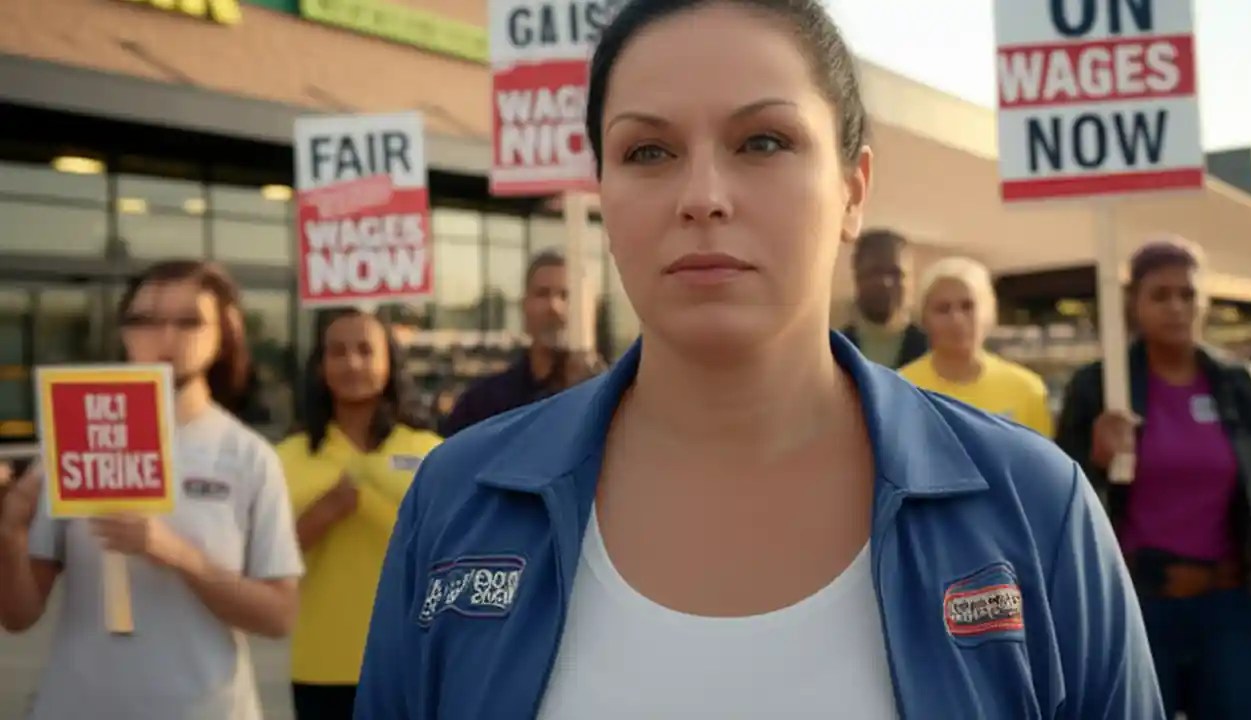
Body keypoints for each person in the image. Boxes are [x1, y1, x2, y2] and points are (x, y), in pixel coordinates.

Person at [355, 0, 1161, 718]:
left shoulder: (1033, 506)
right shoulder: (457, 502)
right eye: (647, 152)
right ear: (601, 192)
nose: (702, 194)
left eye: (763, 141)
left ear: (853, 189)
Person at [0, 259, 304, 720]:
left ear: (224, 334)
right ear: (122, 332)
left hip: (207, 708)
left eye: (189, 321)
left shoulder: (247, 456)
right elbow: (18, 615)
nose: (166, 336)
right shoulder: (74, 435)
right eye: (144, 320)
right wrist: (11, 532)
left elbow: (278, 615)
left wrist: (176, 554)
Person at [1056, 238, 1251, 720]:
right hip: (1139, 608)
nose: (1176, 307)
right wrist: (1094, 460)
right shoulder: (1099, 388)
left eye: (1187, 294)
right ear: (1134, 304)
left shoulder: (1242, 387)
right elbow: (1062, 509)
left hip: (1229, 611)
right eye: (1160, 295)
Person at [277, 308, 442, 720]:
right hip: (322, 665)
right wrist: (324, 514)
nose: (352, 363)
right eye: (337, 351)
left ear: (391, 362)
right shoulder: (287, 458)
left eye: (366, 350)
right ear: (320, 366)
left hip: (411, 661)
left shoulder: (432, 452)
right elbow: (265, 566)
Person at [439, 249, 604, 437]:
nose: (554, 307)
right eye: (542, 294)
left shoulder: (615, 399)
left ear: (590, 310)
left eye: (566, 295)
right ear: (524, 306)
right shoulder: (484, 405)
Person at [899, 256, 1054, 436]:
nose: (956, 319)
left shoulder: (1027, 390)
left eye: (967, 306)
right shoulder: (900, 389)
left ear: (988, 312)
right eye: (943, 308)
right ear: (923, 318)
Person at [841, 228, 928, 368]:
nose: (885, 282)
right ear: (857, 276)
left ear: (911, 280)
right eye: (875, 272)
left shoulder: (932, 352)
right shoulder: (835, 351)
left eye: (896, 273)